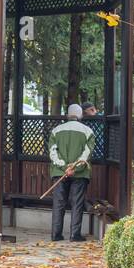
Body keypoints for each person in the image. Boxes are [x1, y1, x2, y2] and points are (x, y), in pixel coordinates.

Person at [48, 103, 97, 242]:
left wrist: (64, 168)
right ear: (80, 115)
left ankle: (56, 234)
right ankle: (74, 234)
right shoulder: (88, 132)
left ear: (68, 115)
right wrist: (74, 168)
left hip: (59, 172)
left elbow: (53, 153)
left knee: (59, 203)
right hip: (80, 174)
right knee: (77, 203)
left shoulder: (56, 131)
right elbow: (86, 154)